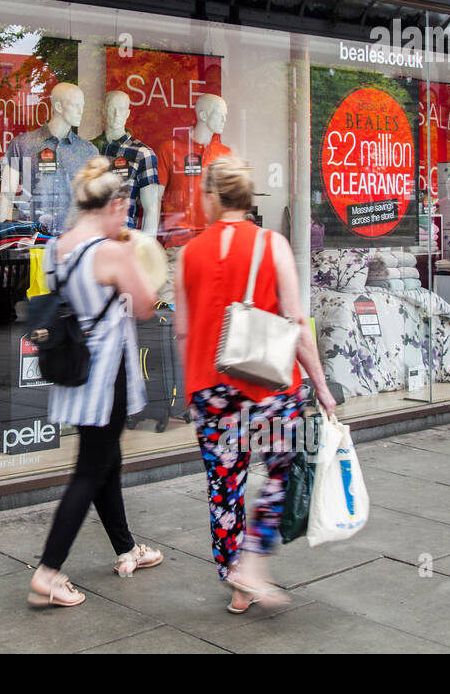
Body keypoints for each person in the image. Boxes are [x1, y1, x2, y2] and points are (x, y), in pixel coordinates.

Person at [175, 155, 337, 613]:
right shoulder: (273, 245)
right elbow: (296, 323)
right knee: (283, 468)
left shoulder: (188, 253)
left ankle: (236, 577)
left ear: (211, 196)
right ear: (246, 198)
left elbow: (183, 332)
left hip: (210, 389)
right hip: (267, 387)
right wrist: (321, 385)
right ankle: (254, 561)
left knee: (224, 485)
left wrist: (194, 394)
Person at [28, 157, 164, 608]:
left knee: (105, 460)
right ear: (114, 205)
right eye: (124, 209)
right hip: (108, 376)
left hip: (73, 370)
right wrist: (142, 266)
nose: (126, 218)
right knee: (90, 470)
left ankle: (127, 548)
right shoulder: (112, 251)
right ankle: (48, 572)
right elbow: (146, 306)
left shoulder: (56, 248)